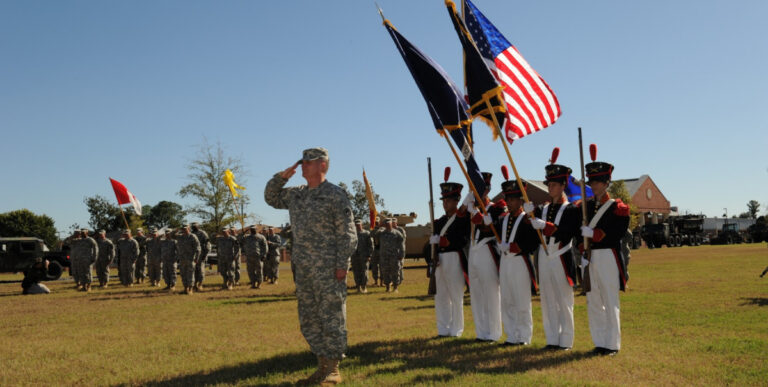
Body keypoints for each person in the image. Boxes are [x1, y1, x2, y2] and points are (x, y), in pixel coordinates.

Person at [264, 147, 357, 385]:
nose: (304, 165)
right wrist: (281, 177)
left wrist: (342, 264)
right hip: (303, 268)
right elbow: (271, 198)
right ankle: (322, 365)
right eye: (302, 162)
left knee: (332, 316)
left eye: (309, 162)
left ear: (322, 166)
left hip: (328, 268)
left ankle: (334, 368)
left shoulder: (335, 194)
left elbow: (347, 233)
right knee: (309, 318)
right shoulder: (296, 194)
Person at [528, 150, 581, 350]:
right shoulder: (542, 208)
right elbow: (535, 234)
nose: (550, 188)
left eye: (554, 185)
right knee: (548, 300)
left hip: (560, 255)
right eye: (549, 184)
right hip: (544, 256)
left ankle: (566, 341)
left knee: (564, 300)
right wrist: (530, 216)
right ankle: (552, 339)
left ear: (563, 186)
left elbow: (567, 233)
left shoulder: (571, 209)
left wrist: (545, 226)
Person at [580, 146, 630, 356]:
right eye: (591, 181)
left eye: (598, 181)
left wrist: (594, 234)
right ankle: (600, 341)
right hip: (591, 256)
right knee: (593, 300)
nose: (594, 185)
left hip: (607, 254)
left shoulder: (618, 207)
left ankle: (612, 344)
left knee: (609, 300)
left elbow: (617, 233)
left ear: (607, 182)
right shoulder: (586, 206)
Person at [465, 172, 505, 342]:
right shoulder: (471, 208)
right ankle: (481, 332)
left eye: (479, 188)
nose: (476, 192)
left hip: (487, 249)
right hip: (473, 251)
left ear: (487, 189)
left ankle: (494, 333)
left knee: (490, 293)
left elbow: (495, 229)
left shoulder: (497, 207)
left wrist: (480, 217)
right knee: (476, 294)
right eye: (474, 189)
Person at [429, 172, 471, 337]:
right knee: (441, 297)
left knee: (455, 296)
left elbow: (464, 239)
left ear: (456, 201)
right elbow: (431, 247)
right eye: (444, 201)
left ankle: (456, 330)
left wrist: (449, 242)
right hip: (440, 260)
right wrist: (433, 249)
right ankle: (443, 329)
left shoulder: (462, 219)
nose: (445, 204)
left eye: (448, 201)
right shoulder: (438, 222)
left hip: (454, 257)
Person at [498, 180, 539, 346]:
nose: (509, 202)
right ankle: (511, 335)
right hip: (505, 262)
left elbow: (532, 242)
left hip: (520, 261)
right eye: (508, 199)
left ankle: (523, 336)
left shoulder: (527, 219)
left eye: (513, 199)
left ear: (521, 200)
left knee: (522, 301)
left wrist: (515, 246)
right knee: (507, 300)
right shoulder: (503, 219)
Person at [378, 218, 405, 293]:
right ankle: (387, 287)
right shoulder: (381, 233)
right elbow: (373, 235)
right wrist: (379, 227)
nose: (388, 225)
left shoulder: (397, 233)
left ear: (391, 224)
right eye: (386, 224)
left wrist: (401, 254)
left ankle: (395, 287)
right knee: (385, 271)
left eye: (389, 224)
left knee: (395, 271)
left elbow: (401, 245)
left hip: (394, 256)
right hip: (384, 256)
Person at [176, 225, 201, 294]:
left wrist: (196, 258)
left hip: (191, 259)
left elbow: (198, 248)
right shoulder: (180, 237)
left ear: (189, 229)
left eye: (185, 229)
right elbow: (172, 235)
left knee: (190, 274)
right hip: (182, 259)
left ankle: (190, 288)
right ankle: (185, 288)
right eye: (183, 229)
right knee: (183, 274)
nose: (184, 230)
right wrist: (176, 230)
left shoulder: (192, 236)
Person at [350, 220, 373, 293]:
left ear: (361, 225)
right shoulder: (352, 234)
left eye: (358, 225)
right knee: (356, 271)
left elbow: (371, 245)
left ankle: (364, 286)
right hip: (354, 256)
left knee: (364, 272)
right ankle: (358, 287)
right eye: (356, 225)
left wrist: (369, 255)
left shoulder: (366, 233)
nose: (357, 226)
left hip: (364, 256)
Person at [191, 222, 210, 291]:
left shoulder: (202, 233)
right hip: (193, 255)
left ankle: (200, 284)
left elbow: (207, 244)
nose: (194, 227)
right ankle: (194, 284)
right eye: (193, 226)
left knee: (201, 271)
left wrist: (205, 254)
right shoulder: (191, 234)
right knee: (194, 271)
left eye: (195, 226)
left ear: (198, 226)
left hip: (201, 255)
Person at [370, 220, 383, 286]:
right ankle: (376, 281)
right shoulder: (372, 231)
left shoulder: (383, 230)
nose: (377, 224)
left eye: (377, 222)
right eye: (375, 223)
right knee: (374, 266)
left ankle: (382, 282)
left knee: (382, 266)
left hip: (381, 250)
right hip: (374, 250)